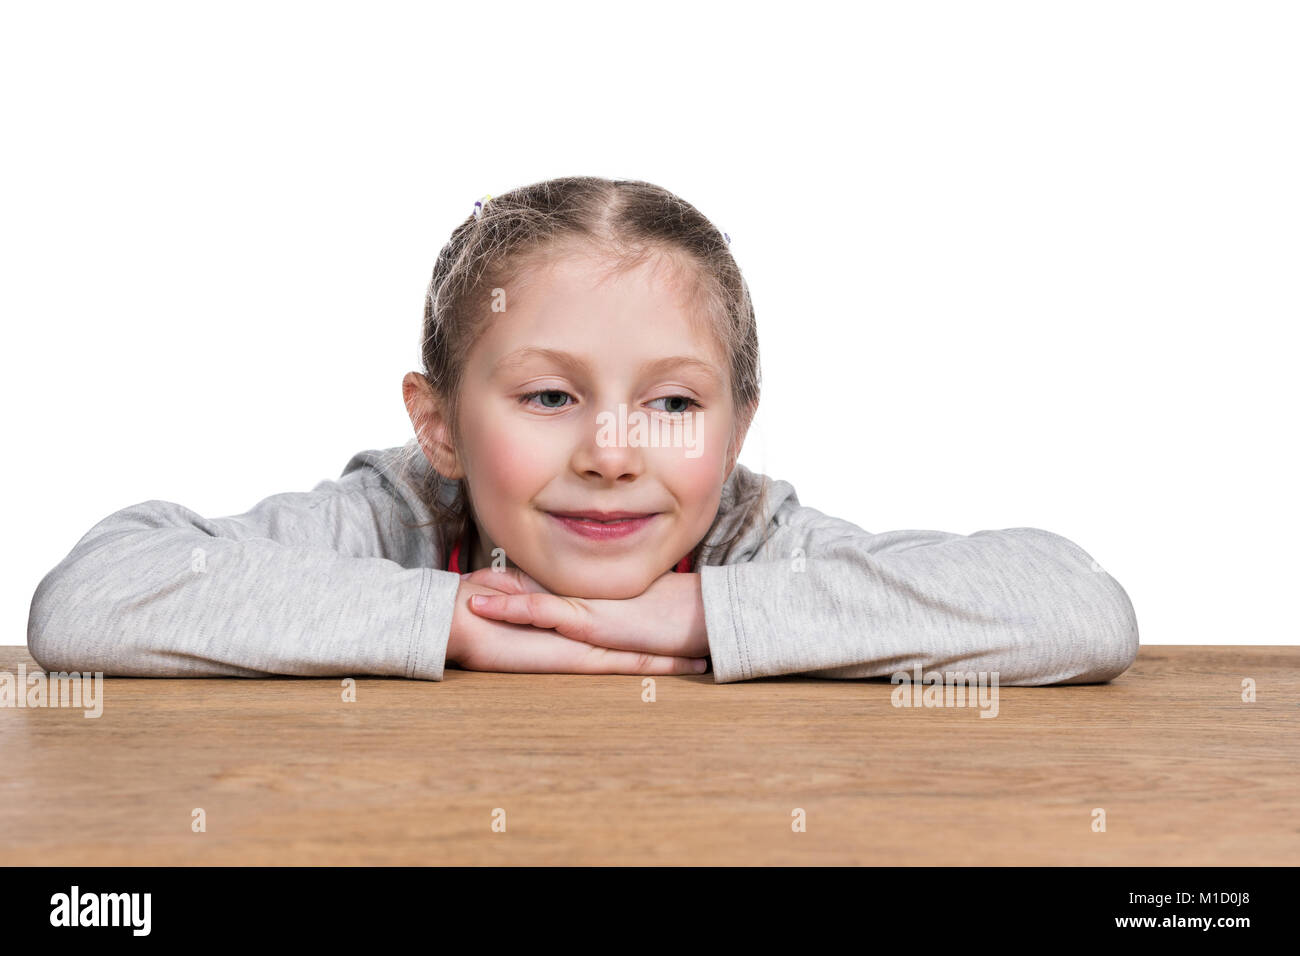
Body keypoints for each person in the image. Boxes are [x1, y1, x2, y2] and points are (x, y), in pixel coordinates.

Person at [26, 176, 1139, 684]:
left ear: (738, 427)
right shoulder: (400, 517)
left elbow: (1075, 605)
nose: (613, 453)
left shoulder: (752, 540)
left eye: (672, 403)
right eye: (549, 396)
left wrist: (701, 611)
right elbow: (90, 598)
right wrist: (448, 619)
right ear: (441, 426)